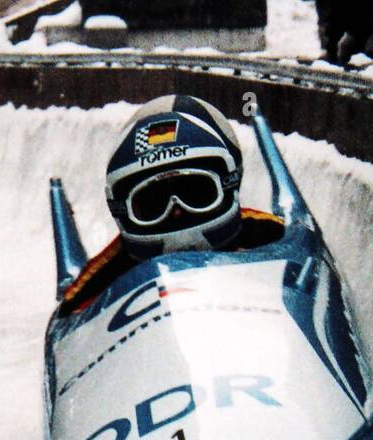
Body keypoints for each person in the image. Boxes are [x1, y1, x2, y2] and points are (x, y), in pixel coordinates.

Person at [61, 95, 284, 313]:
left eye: (194, 192)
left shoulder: (269, 233)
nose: (177, 211)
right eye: (153, 202)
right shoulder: (110, 270)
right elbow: (67, 313)